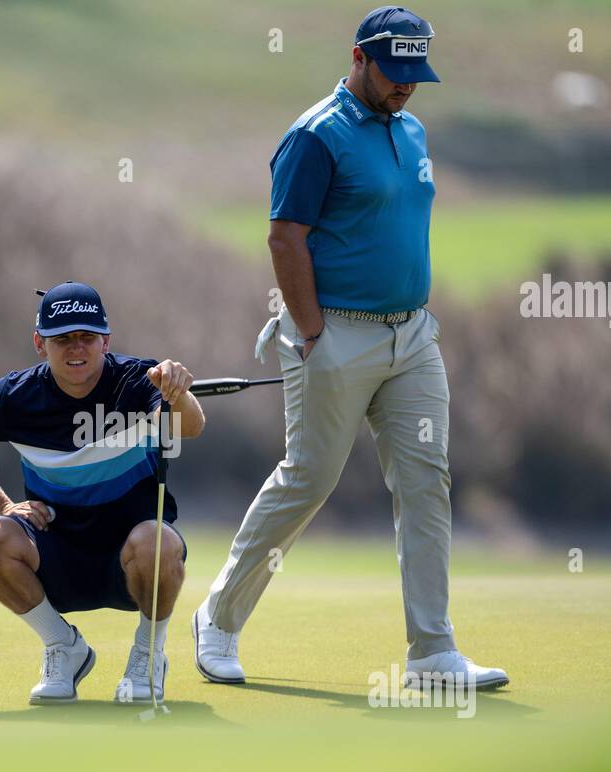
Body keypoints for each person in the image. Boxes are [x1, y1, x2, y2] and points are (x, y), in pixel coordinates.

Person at [191, 6, 509, 691]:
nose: (405, 87)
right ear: (359, 58)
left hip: (414, 337)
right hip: (333, 332)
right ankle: (216, 616)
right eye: (394, 73)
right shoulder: (316, 136)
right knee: (309, 479)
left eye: (415, 75)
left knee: (427, 482)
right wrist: (312, 336)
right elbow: (285, 238)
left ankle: (432, 653)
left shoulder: (413, 129)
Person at [0, 281, 204, 704]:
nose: (75, 349)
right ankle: (64, 647)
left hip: (132, 561)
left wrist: (178, 393)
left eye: (86, 337)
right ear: (39, 343)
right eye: (62, 339)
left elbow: (190, 426)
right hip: (54, 556)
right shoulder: (15, 396)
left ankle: (149, 655)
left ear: (105, 341)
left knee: (159, 540)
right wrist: (3, 507)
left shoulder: (136, 380)